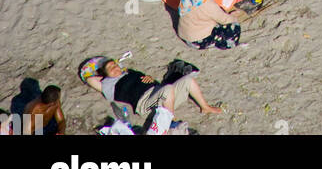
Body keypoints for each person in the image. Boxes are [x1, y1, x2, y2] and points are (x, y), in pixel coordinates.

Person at [80, 58, 222, 126]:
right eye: (110, 68)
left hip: (161, 96)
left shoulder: (129, 72)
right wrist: (103, 74)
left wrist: (148, 79)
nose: (115, 68)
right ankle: (168, 123)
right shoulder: (109, 84)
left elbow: (145, 80)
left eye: (115, 65)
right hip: (146, 104)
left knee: (188, 80)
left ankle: (205, 107)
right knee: (168, 89)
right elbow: (90, 80)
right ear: (105, 74)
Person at [177, 0, 259, 51]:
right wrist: (233, 17)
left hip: (184, 34)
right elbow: (225, 20)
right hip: (198, 41)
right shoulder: (208, 4)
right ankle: (227, 45)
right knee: (234, 27)